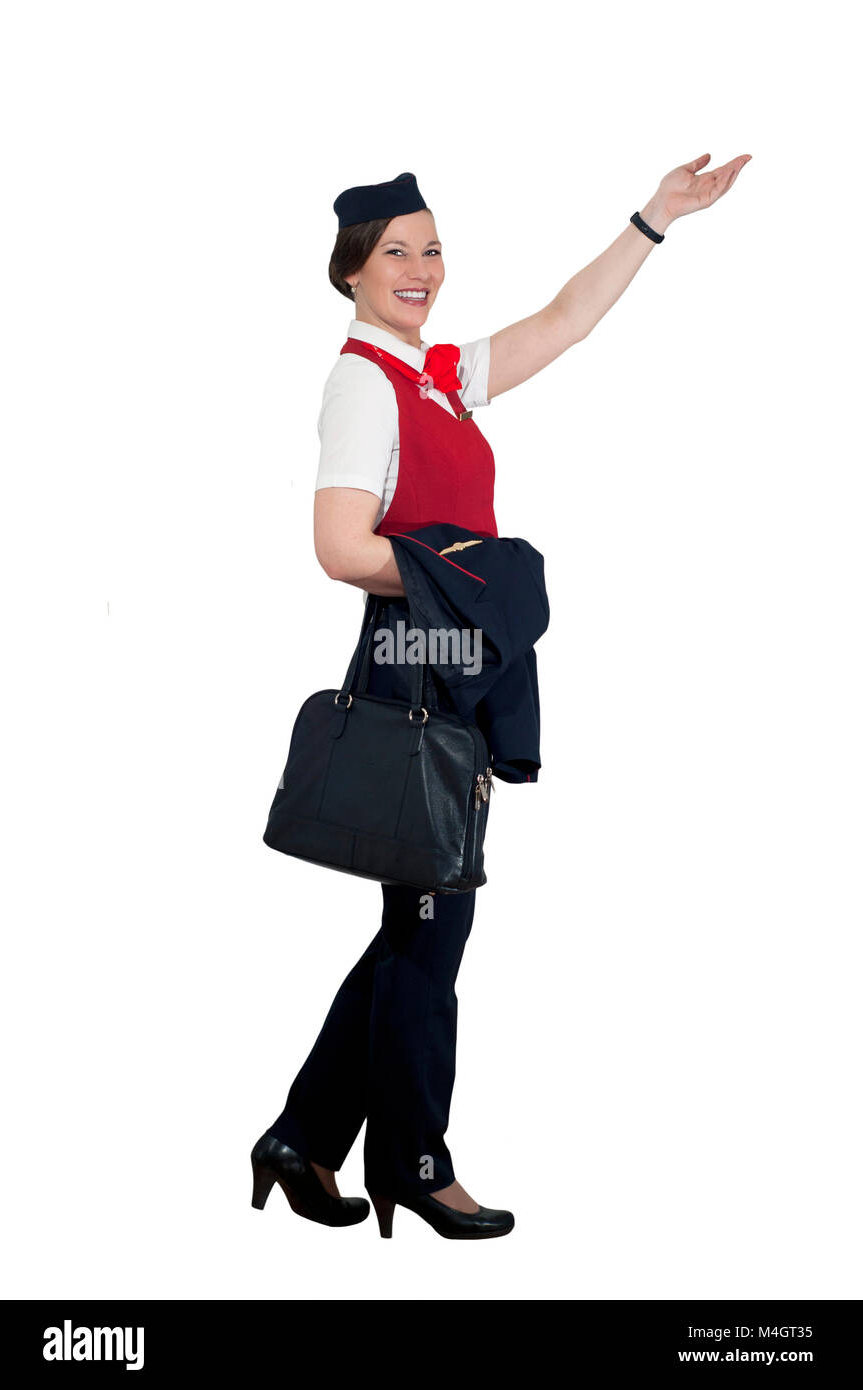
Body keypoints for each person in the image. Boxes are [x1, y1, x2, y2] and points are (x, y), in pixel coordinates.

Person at [251, 157, 751, 1241]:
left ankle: (302, 1136)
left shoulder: (433, 375)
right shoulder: (362, 385)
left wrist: (653, 220)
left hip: (448, 656)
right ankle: (418, 1164)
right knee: (434, 929)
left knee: (416, 926)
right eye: (398, 251)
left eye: (433, 247)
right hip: (417, 662)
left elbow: (565, 320)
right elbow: (339, 546)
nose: (424, 267)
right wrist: (465, 570)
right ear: (350, 273)